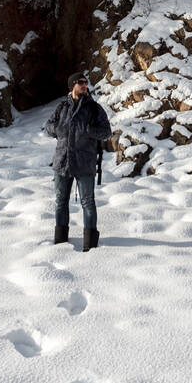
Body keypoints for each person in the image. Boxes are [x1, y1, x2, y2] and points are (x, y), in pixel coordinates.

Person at [44, 73, 112, 251]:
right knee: (60, 202)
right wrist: (57, 129)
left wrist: (90, 130)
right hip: (62, 162)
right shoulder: (61, 107)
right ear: (72, 85)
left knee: (88, 202)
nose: (84, 85)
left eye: (86, 83)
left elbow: (106, 131)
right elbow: (47, 127)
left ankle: (90, 246)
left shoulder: (95, 109)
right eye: (81, 83)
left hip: (84, 163)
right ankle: (60, 243)